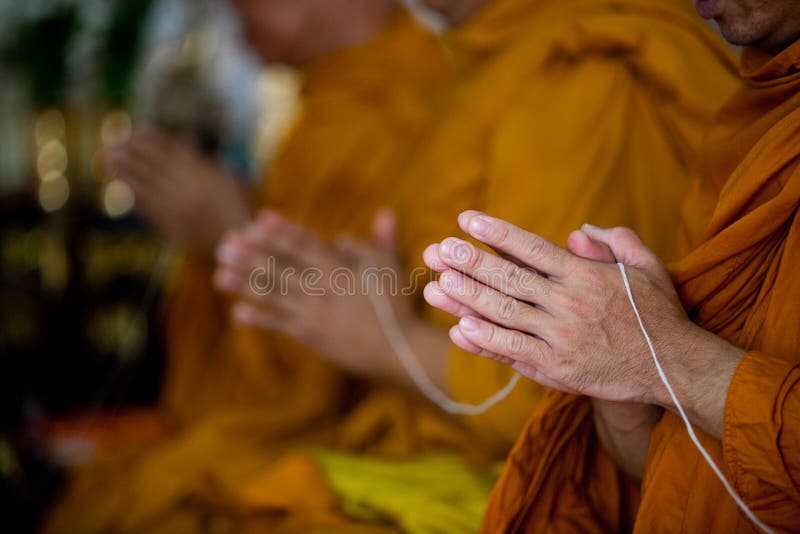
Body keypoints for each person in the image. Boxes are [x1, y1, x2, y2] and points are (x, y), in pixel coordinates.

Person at [218, 0, 741, 462]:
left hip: (515, 467)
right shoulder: (492, 61)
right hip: (423, 432)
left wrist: (385, 341)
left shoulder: (583, 74)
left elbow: (555, 404)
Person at [43, 1, 452, 532]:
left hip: (361, 442)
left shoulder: (408, 112)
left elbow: (346, 368)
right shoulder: (323, 109)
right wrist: (221, 230)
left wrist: (232, 236)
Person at [422, 0, 800, 530]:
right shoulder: (755, 120)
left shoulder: (595, 70)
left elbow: (519, 410)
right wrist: (618, 378)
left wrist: (666, 358)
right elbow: (681, 469)